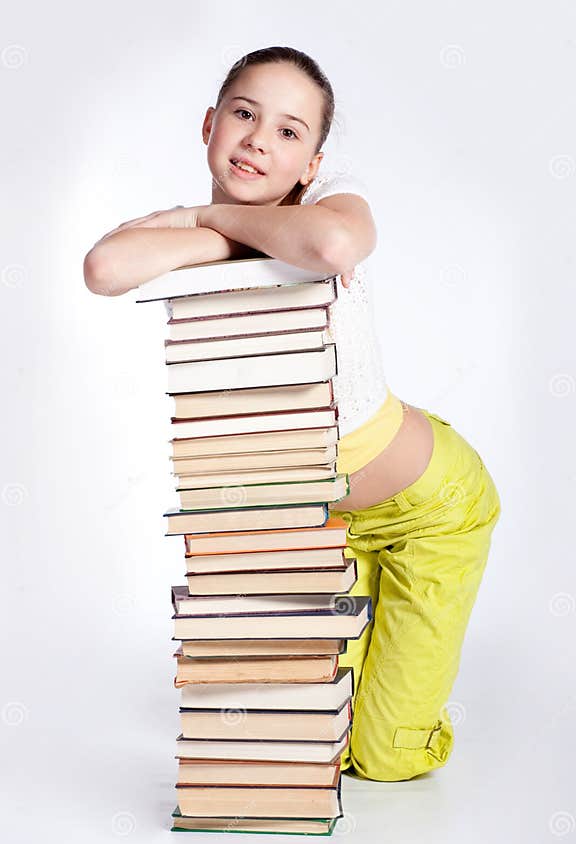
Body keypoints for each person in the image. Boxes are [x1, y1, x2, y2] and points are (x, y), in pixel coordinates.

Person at [84, 46, 502, 782]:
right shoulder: (179, 237)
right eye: (243, 114)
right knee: (311, 741)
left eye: (288, 131)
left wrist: (206, 217)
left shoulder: (330, 200)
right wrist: (217, 232)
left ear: (313, 163)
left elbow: (332, 246)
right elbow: (105, 268)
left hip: (429, 509)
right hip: (320, 531)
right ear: (210, 123)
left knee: (383, 759)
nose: (258, 141)